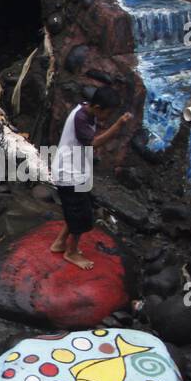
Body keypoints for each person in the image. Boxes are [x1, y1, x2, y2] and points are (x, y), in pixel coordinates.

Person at [48, 85, 133, 270]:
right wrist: (118, 125)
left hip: (75, 169)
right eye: (108, 113)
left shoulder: (86, 109)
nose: (108, 118)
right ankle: (71, 252)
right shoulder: (81, 118)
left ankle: (60, 242)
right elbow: (94, 143)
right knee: (82, 215)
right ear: (97, 108)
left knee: (76, 209)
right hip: (69, 174)